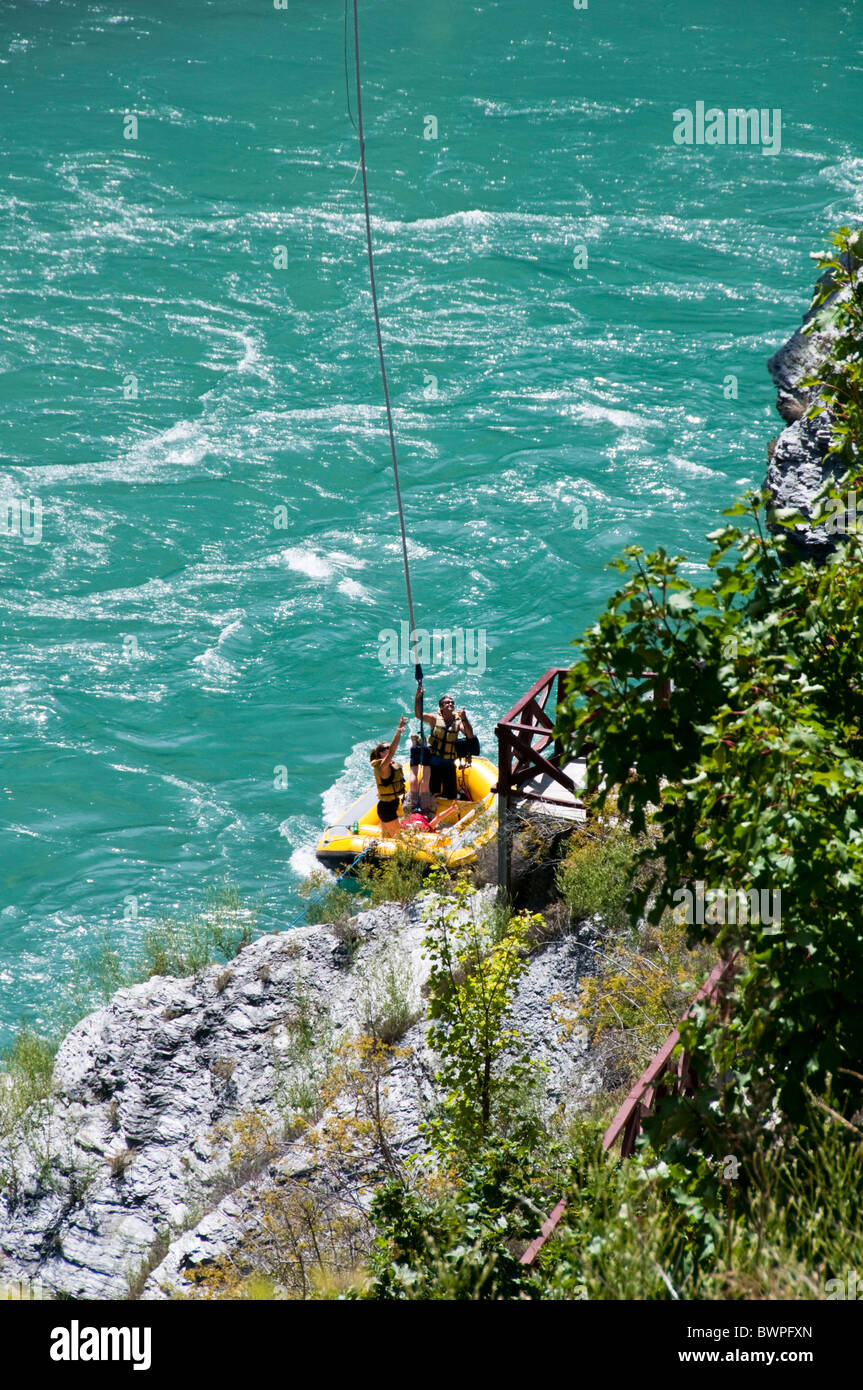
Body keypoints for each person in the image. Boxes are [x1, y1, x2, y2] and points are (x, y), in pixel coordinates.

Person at [415, 690, 474, 802]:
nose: (451, 704)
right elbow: (418, 715)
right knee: (431, 792)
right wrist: (418, 698)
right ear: (441, 707)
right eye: (447, 702)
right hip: (434, 764)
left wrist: (464, 719)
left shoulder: (458, 722)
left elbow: (469, 735)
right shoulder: (434, 719)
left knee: (451, 796)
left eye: (452, 702)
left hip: (449, 764)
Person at [370, 715, 407, 837]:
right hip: (387, 810)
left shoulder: (388, 766)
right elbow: (392, 751)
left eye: (389, 747)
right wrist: (399, 730)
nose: (389, 748)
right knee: (399, 839)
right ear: (381, 753)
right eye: (386, 748)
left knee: (386, 839)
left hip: (389, 806)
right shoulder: (383, 767)